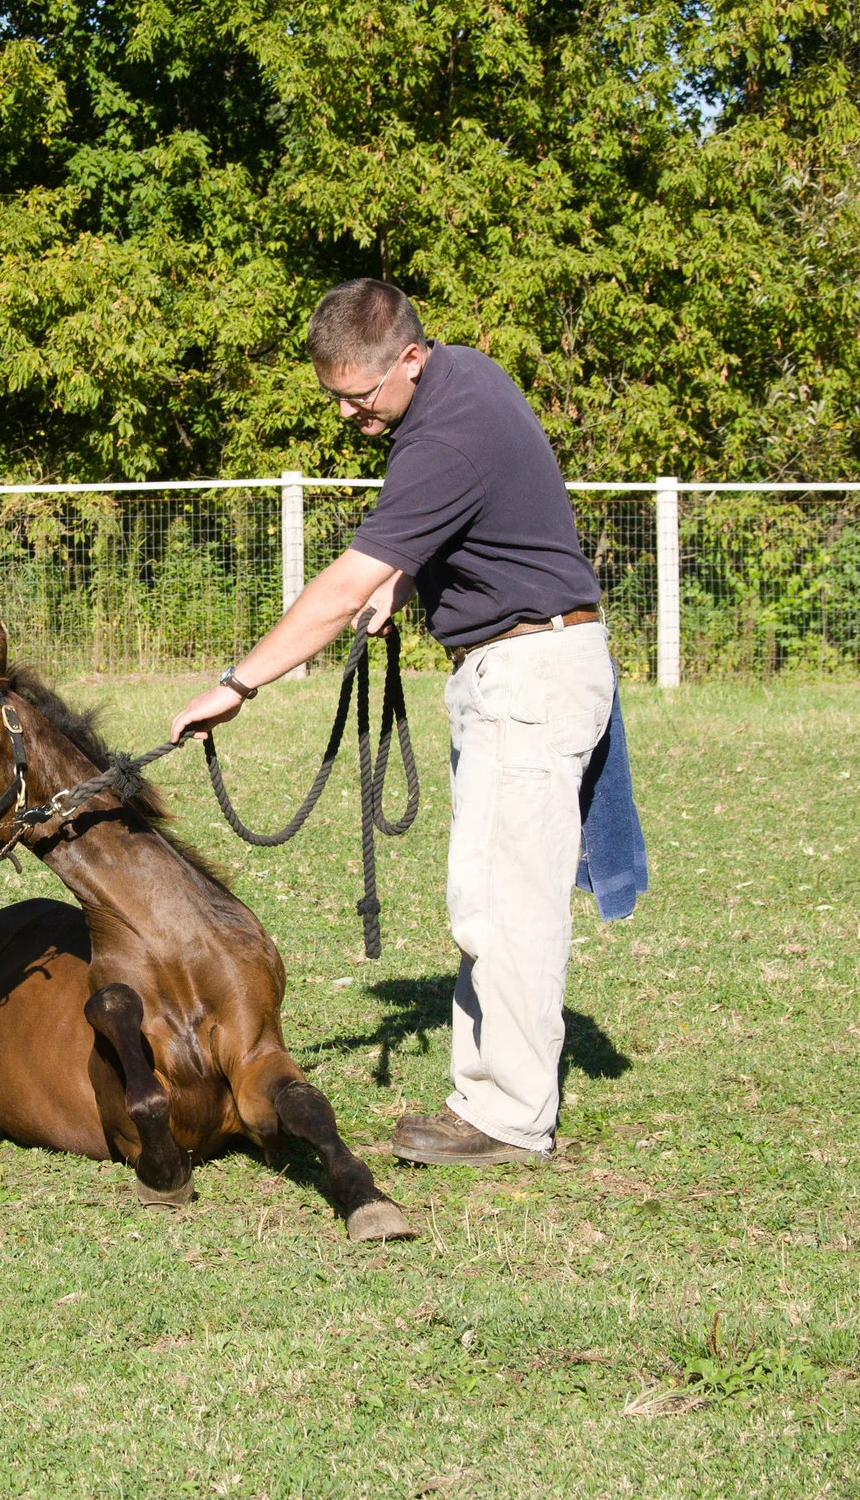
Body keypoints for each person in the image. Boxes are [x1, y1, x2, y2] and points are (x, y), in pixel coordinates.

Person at [167, 279, 616, 1167]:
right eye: (334, 395)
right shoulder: (469, 379)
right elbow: (491, 522)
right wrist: (409, 580)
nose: (347, 413)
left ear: (408, 359)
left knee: (506, 906)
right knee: (488, 895)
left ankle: (509, 1119)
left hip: (527, 676)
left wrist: (238, 684)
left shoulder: (445, 434)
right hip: (522, 664)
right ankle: (492, 1098)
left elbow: (337, 590)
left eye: (359, 395)